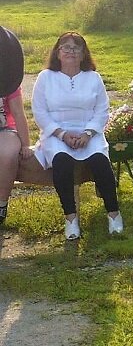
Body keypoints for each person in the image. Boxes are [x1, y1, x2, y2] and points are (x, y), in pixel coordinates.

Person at [32, 32, 123, 240]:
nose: (71, 51)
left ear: (83, 54)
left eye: (76, 48)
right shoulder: (45, 77)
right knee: (61, 161)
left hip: (88, 133)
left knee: (100, 160)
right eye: (66, 47)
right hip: (56, 134)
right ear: (58, 52)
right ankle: (71, 219)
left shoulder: (93, 78)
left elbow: (102, 110)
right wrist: (62, 134)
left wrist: (89, 133)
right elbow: (39, 112)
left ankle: (114, 214)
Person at [0, 26, 30, 226]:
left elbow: (19, 113)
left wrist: (26, 144)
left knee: (8, 153)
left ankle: (1, 203)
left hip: (4, 129)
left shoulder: (8, 81)